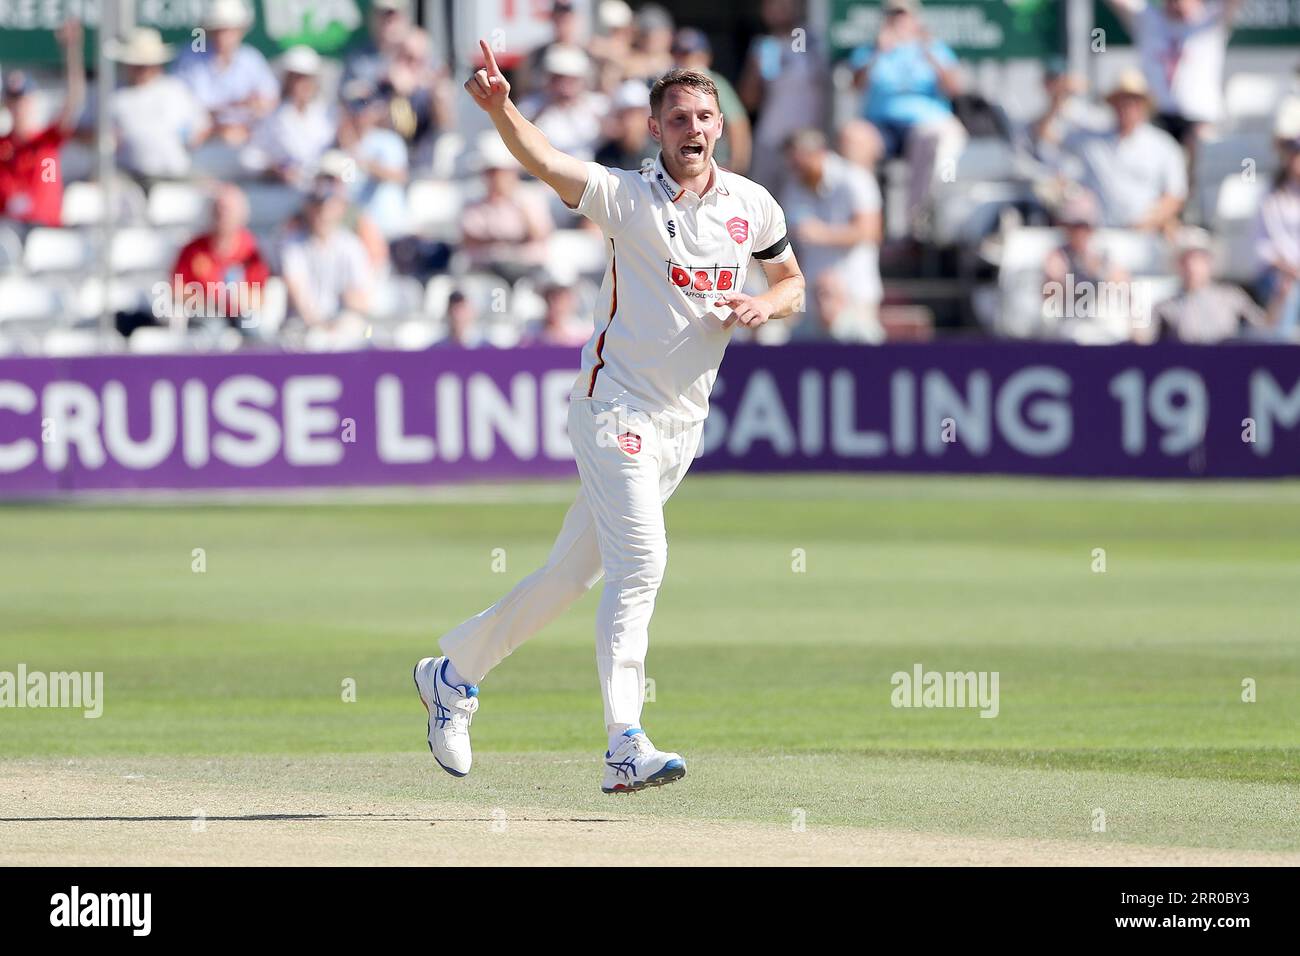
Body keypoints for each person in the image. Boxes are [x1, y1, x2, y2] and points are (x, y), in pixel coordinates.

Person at [417, 44, 804, 793]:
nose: (691, 129)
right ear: (654, 129)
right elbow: (546, 160)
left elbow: (790, 280)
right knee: (643, 564)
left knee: (569, 576)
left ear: (720, 125)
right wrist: (501, 108)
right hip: (613, 407)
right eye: (676, 119)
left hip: (679, 428)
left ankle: (452, 673)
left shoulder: (752, 205)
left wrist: (764, 302)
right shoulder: (626, 196)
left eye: (703, 117)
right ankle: (625, 739)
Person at [848, 0, 966, 237]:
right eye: (892, 15)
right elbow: (855, 85)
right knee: (853, 137)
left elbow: (955, 89)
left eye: (903, 15)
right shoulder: (871, 50)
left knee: (930, 138)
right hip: (882, 128)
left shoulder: (933, 48)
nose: (897, 20)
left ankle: (916, 225)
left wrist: (930, 53)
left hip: (922, 126)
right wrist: (878, 52)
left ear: (914, 19)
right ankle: (863, 223)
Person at [1059, 69, 1186, 233]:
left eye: (1133, 101)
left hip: (1146, 237)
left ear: (1144, 106)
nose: (1127, 107)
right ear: (1113, 105)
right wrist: (1063, 91)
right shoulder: (1092, 142)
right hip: (1101, 234)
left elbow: (1175, 195)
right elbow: (1049, 136)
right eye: (1122, 101)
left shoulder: (1163, 146)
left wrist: (1148, 222)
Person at [1102, 0, 1245, 146]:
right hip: (1156, 117)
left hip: (1200, 117)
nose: (1178, 4)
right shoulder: (1147, 18)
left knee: (1203, 143)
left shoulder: (1212, 19)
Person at [781, 129, 882, 335]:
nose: (795, 170)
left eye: (799, 163)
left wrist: (823, 234)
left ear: (818, 154)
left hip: (855, 295)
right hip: (810, 302)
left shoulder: (855, 179)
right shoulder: (794, 187)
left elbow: (871, 231)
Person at [0, 20, 84, 228]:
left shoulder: (48, 139)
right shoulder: (3, 146)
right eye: (14, 101)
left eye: (24, 100)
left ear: (33, 102)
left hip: (47, 232)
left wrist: (72, 51)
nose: (20, 107)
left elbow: (74, 101)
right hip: (10, 233)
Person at [740, 0, 828, 193]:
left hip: (806, 141)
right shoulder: (765, 45)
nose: (778, 9)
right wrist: (755, 67)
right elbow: (750, 101)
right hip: (770, 139)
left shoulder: (807, 38)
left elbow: (810, 71)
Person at [106, 28, 210, 184]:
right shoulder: (114, 96)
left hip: (175, 174)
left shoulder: (175, 89)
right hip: (127, 176)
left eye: (146, 64)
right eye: (137, 65)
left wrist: (189, 141)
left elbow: (202, 126)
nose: (142, 70)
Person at [279, 177, 375, 336]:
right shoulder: (292, 245)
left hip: (340, 326)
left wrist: (346, 307)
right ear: (308, 208)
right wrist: (319, 325)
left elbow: (363, 299)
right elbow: (298, 295)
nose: (323, 213)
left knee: (354, 330)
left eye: (329, 206)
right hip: (304, 327)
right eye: (317, 206)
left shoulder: (351, 245)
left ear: (340, 209)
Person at [174, 0, 278, 145]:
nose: (222, 37)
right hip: (203, 142)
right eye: (217, 30)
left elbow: (268, 102)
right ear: (209, 32)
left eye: (228, 30)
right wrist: (220, 124)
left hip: (246, 140)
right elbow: (180, 105)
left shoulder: (252, 60)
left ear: (240, 32)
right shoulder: (190, 59)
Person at [170, 184, 270, 330]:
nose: (222, 216)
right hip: (205, 313)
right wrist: (208, 300)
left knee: (254, 329)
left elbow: (261, 296)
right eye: (218, 210)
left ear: (241, 215)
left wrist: (237, 299)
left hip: (241, 313)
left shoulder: (252, 250)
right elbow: (177, 289)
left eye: (228, 210)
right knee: (210, 327)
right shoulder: (193, 249)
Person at [458, 137, 554, 282]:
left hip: (527, 269)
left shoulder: (529, 198)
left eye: (499, 172)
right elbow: (469, 238)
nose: (495, 178)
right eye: (490, 173)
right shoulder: (474, 202)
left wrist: (517, 205)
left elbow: (538, 234)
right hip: (487, 269)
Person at [241, 46, 335, 188]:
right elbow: (250, 158)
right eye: (297, 78)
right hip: (283, 191)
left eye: (307, 79)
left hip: (321, 191)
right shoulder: (272, 117)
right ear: (287, 81)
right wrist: (274, 170)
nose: (303, 85)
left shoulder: (328, 114)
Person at [1154, 228, 1270, 342]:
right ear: (1178, 265)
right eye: (1186, 260)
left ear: (1210, 262)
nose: (1192, 266)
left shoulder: (1232, 297)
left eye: (1199, 259)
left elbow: (1262, 328)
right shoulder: (1166, 308)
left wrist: (1281, 294)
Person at [670, 28, 752, 175]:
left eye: (688, 53)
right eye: (678, 52)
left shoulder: (716, 84)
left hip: (717, 166)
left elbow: (737, 124)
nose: (682, 59)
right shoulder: (668, 86)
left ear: (704, 57)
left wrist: (737, 166)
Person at [336, 86, 409, 241]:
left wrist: (358, 156)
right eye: (352, 105)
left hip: (388, 229)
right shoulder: (338, 145)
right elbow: (346, 184)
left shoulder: (388, 141)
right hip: (354, 232)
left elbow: (398, 176)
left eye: (363, 103)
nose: (359, 111)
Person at [518, 45, 608, 162]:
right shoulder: (531, 105)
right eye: (558, 78)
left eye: (571, 80)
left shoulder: (599, 105)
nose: (564, 86)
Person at [1252, 135, 1300, 341]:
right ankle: (1283, 356)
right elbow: (1263, 247)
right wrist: (1291, 270)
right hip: (1277, 273)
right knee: (1286, 289)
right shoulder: (1270, 196)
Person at [594, 81, 658, 171]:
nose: (631, 122)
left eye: (637, 115)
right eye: (625, 115)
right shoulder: (605, 156)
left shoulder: (660, 154)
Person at [524, 281, 593, 346]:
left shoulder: (583, 332)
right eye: (549, 297)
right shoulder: (531, 331)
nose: (554, 303)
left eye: (560, 297)